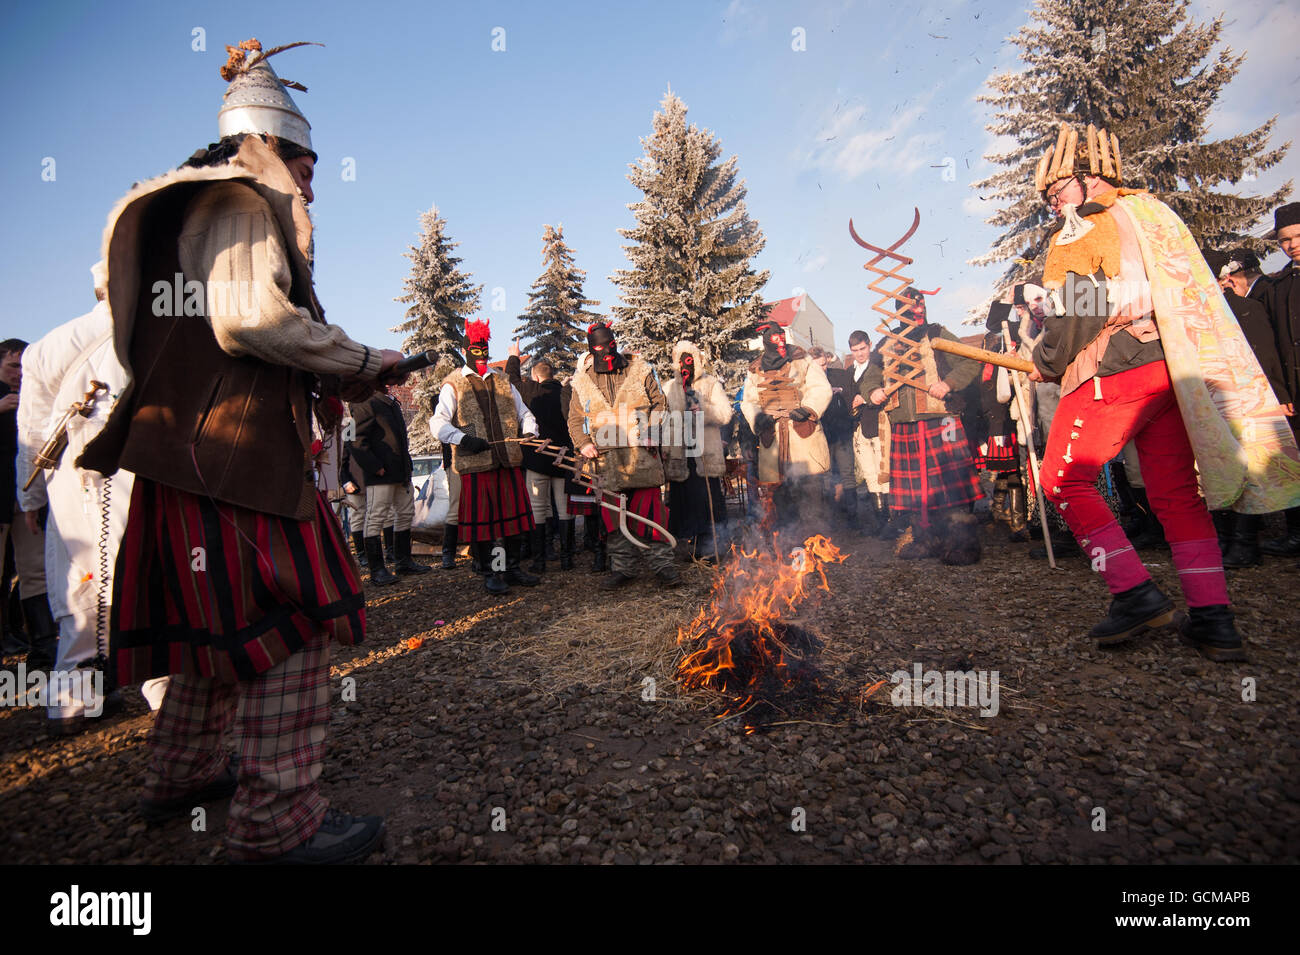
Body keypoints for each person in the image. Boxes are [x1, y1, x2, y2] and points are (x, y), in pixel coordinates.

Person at [78, 39, 398, 862]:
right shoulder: (243, 200)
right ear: (271, 147)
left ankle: (180, 775)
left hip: (191, 460)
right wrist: (367, 361)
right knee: (290, 624)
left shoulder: (198, 204)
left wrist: (337, 379)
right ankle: (277, 824)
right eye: (307, 162)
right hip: (238, 463)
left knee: (210, 626)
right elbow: (250, 322)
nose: (313, 180)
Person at [1028, 122, 1300, 660]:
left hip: (1115, 369)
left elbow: (1080, 306)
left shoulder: (1089, 225)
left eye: (1059, 193)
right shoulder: (1153, 213)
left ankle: (1134, 592)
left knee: (1062, 480)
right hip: (1168, 366)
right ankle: (1214, 619)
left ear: (1086, 180)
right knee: (1176, 494)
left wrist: (1046, 359)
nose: (1056, 206)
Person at [17, 265, 169, 733]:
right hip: (127, 470)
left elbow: (31, 432)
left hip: (80, 477)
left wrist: (33, 500)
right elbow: (34, 433)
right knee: (145, 578)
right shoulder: (156, 335)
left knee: (82, 584)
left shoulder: (50, 344)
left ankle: (72, 701)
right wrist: (30, 497)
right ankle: (162, 692)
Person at [862, 288, 984, 564]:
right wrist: (873, 391)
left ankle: (961, 543)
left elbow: (967, 362)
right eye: (913, 306)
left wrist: (948, 383)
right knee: (917, 489)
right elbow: (869, 377)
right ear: (900, 309)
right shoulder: (887, 342)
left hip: (941, 420)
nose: (919, 310)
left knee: (951, 483)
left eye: (922, 305)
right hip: (904, 426)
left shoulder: (937, 333)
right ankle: (926, 539)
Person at [430, 319, 539, 594]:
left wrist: (528, 433)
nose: (481, 359)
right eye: (475, 352)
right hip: (476, 464)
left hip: (508, 461)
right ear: (466, 350)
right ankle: (490, 572)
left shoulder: (503, 380)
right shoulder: (452, 384)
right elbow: (438, 423)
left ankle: (511, 568)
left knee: (513, 520)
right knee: (484, 526)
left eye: (484, 353)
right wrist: (463, 438)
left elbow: (525, 414)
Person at [567, 322, 678, 588]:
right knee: (614, 518)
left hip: (642, 455)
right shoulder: (582, 382)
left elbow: (660, 403)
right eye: (599, 348)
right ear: (591, 350)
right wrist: (583, 443)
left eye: (610, 345)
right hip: (606, 461)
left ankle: (663, 566)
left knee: (651, 514)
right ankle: (623, 568)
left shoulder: (639, 370)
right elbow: (574, 419)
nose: (606, 352)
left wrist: (652, 431)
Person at [1202, 249, 1293, 566]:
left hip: (1245, 400)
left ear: (1221, 279)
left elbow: (1265, 355)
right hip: (1210, 403)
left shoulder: (1245, 309)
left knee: (1248, 469)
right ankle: (1225, 540)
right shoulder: (1192, 316)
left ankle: (1245, 543)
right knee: (1220, 471)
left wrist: (1279, 395)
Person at [740, 320, 832, 539]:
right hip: (772, 439)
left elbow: (821, 388)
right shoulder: (756, 368)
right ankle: (786, 546)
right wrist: (758, 418)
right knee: (778, 496)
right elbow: (749, 400)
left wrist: (808, 409)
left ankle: (814, 545)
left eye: (781, 338)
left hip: (801, 435)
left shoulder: (803, 359)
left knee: (809, 493)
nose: (779, 344)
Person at [0, 337, 59, 670]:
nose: (19, 374)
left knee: (35, 571)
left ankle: (43, 647)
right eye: (12, 366)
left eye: (23, 367)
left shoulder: (32, 399)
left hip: (25, 498)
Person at [348, 387, 430, 583]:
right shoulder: (365, 402)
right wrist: (374, 466)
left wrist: (406, 466)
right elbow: (354, 439)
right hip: (381, 473)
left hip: (400, 472)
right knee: (376, 517)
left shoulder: (391, 403)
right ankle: (377, 569)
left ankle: (403, 561)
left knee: (405, 513)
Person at [506, 344, 575, 572]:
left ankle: (539, 561)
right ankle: (567, 559)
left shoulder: (530, 392)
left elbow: (511, 381)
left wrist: (514, 357)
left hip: (537, 459)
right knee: (565, 509)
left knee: (538, 508)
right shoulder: (567, 394)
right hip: (564, 459)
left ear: (535, 376)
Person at [663, 339, 732, 562]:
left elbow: (724, 414)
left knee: (707, 500)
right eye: (680, 359)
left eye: (690, 359)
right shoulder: (668, 388)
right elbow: (662, 420)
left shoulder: (710, 384)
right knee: (683, 501)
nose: (686, 364)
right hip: (680, 455)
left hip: (704, 454)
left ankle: (712, 546)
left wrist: (702, 409)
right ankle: (689, 547)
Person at [1258, 203, 1300, 557]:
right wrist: (1281, 390)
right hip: (1292, 389)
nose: (1293, 245)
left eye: (1299, 236)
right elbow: (1270, 343)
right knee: (1293, 460)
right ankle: (1295, 532)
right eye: (1285, 240)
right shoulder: (1278, 286)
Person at [810, 346, 866, 533]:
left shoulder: (840, 376)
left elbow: (854, 396)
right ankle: (831, 521)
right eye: (818, 366)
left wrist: (843, 394)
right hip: (821, 437)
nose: (823, 369)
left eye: (825, 364)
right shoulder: (808, 382)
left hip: (842, 433)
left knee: (847, 475)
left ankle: (853, 519)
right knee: (827, 478)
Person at [846, 330, 890, 535]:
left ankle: (891, 521)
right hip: (859, 429)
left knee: (884, 473)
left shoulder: (880, 365)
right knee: (869, 475)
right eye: (855, 350)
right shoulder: (849, 371)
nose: (860, 354)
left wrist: (864, 399)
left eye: (863, 349)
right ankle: (880, 522)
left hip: (878, 424)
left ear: (870, 345)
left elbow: (884, 391)